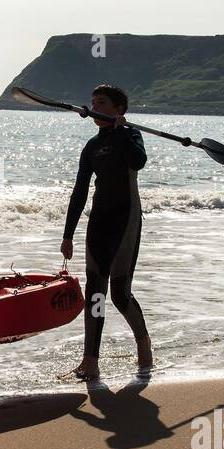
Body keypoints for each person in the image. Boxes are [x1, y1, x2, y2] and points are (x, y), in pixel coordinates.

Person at [60, 84, 153, 380]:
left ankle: (144, 346)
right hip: (98, 221)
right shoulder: (91, 147)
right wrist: (68, 234)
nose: (95, 106)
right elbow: (79, 191)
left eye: (102, 102)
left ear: (118, 109)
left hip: (125, 220)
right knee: (95, 291)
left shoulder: (131, 135)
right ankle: (90, 360)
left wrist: (123, 131)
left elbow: (138, 161)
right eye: (93, 102)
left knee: (120, 295)